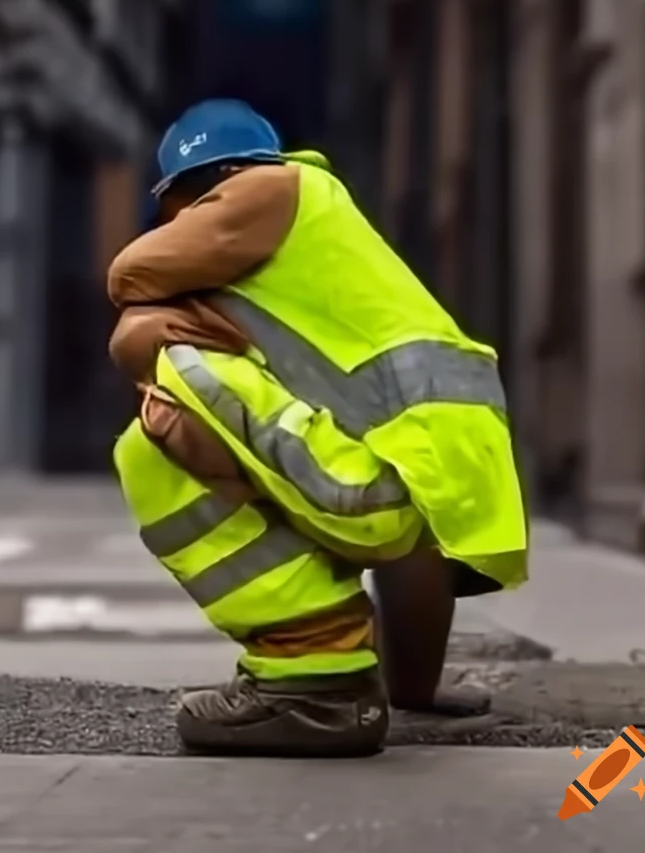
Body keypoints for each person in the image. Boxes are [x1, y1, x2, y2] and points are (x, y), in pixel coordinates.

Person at [106, 99, 528, 757]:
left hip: (385, 477)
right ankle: (363, 687)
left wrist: (141, 336)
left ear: (188, 198)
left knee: (161, 415)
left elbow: (128, 274)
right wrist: (413, 692)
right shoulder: (308, 257)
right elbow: (413, 549)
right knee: (182, 364)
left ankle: (311, 682)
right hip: (439, 466)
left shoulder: (273, 188)